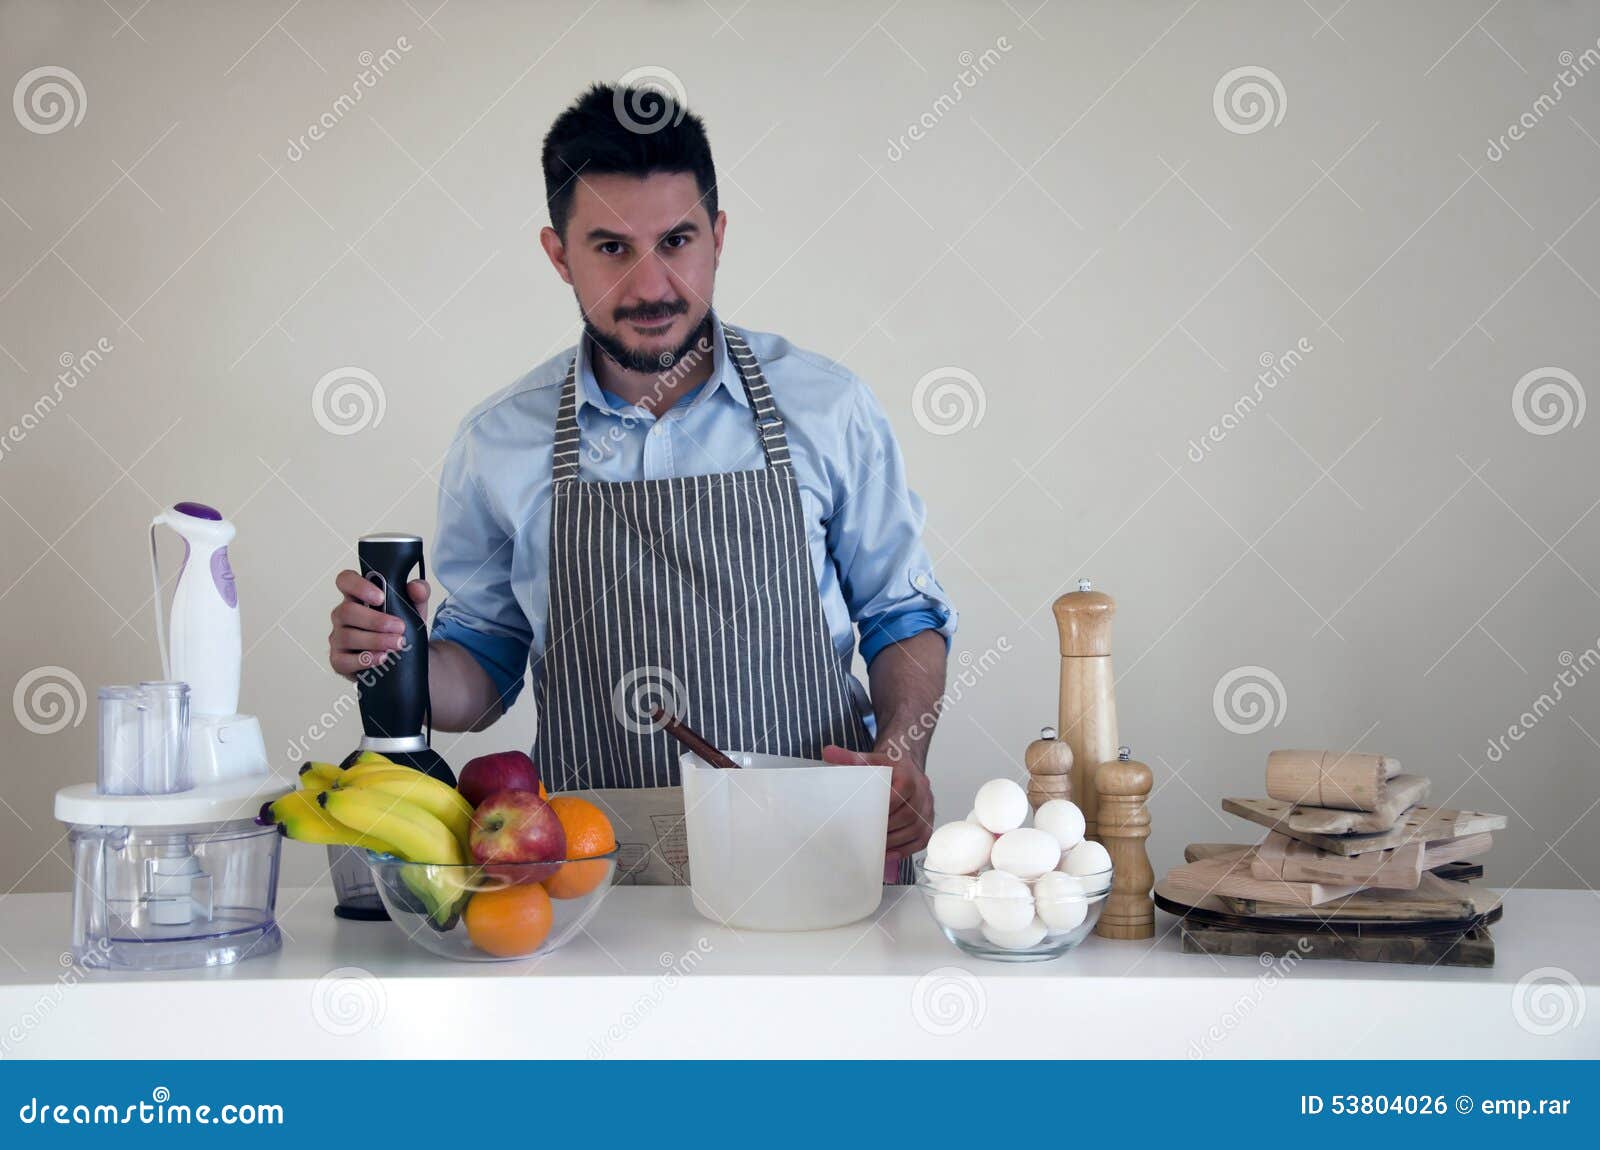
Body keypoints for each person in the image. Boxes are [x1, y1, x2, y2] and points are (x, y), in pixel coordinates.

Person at [328, 83, 956, 881]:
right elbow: (481, 673)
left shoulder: (827, 407)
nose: (653, 286)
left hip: (819, 857)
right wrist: (401, 657)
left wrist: (897, 757)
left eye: (678, 241)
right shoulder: (499, 442)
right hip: (592, 881)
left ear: (719, 238)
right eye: (613, 249)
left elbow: (901, 614)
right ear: (559, 255)